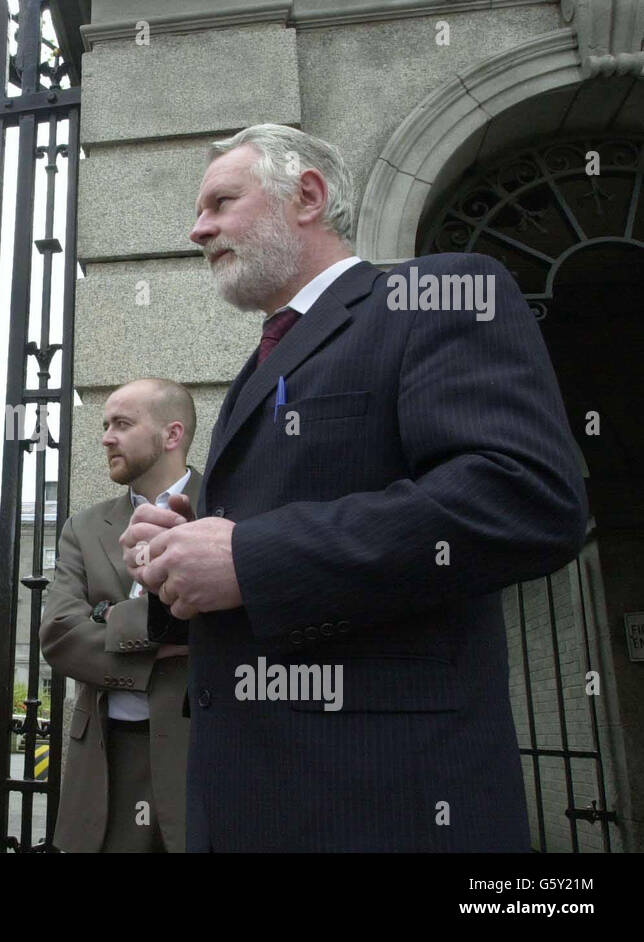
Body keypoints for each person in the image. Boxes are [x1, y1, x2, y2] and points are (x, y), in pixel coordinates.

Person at [120, 124, 588, 852]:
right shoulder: (263, 360)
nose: (196, 227)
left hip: (385, 802)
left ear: (307, 196)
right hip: (250, 802)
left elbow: (525, 495)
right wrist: (180, 563)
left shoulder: (436, 296)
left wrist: (251, 558)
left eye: (220, 201)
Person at [41, 378, 195, 852]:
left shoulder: (228, 510)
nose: (106, 437)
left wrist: (108, 618)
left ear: (171, 435)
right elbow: (60, 635)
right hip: (107, 761)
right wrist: (162, 629)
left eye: (122, 424)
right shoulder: (83, 527)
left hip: (200, 754)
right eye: (105, 424)